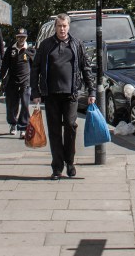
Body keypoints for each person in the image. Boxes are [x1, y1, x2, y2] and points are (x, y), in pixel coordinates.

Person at [30, 12, 96, 180]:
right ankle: (57, 167)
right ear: (55, 27)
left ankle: (70, 162)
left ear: (69, 26)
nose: (62, 29)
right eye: (59, 26)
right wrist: (35, 92)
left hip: (71, 94)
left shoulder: (76, 44)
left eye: (64, 26)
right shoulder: (46, 45)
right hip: (51, 94)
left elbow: (86, 68)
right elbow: (35, 68)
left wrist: (91, 90)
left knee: (70, 126)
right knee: (54, 131)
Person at [0, 27, 34, 137]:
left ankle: (23, 127)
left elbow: (35, 66)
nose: (21, 39)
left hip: (26, 81)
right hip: (12, 80)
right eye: (19, 37)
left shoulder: (30, 50)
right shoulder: (11, 49)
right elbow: (4, 65)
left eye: (23, 37)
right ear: (16, 37)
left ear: (26, 38)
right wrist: (0, 79)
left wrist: (36, 81)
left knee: (25, 103)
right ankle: (13, 123)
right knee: (11, 104)